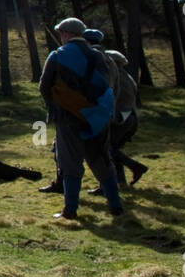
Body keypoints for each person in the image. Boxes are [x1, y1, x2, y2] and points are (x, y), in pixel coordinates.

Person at [38, 18, 121, 220]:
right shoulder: (100, 57)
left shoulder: (57, 56)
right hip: (97, 117)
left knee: (70, 163)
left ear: (66, 34)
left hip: (67, 118)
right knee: (102, 160)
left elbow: (44, 86)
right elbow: (108, 86)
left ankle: (70, 210)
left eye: (61, 34)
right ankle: (116, 206)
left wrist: (57, 106)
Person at [105, 49, 147, 186]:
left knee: (106, 148)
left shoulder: (117, 78)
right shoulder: (127, 77)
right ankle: (120, 181)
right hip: (130, 118)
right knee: (113, 148)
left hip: (122, 119)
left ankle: (135, 167)